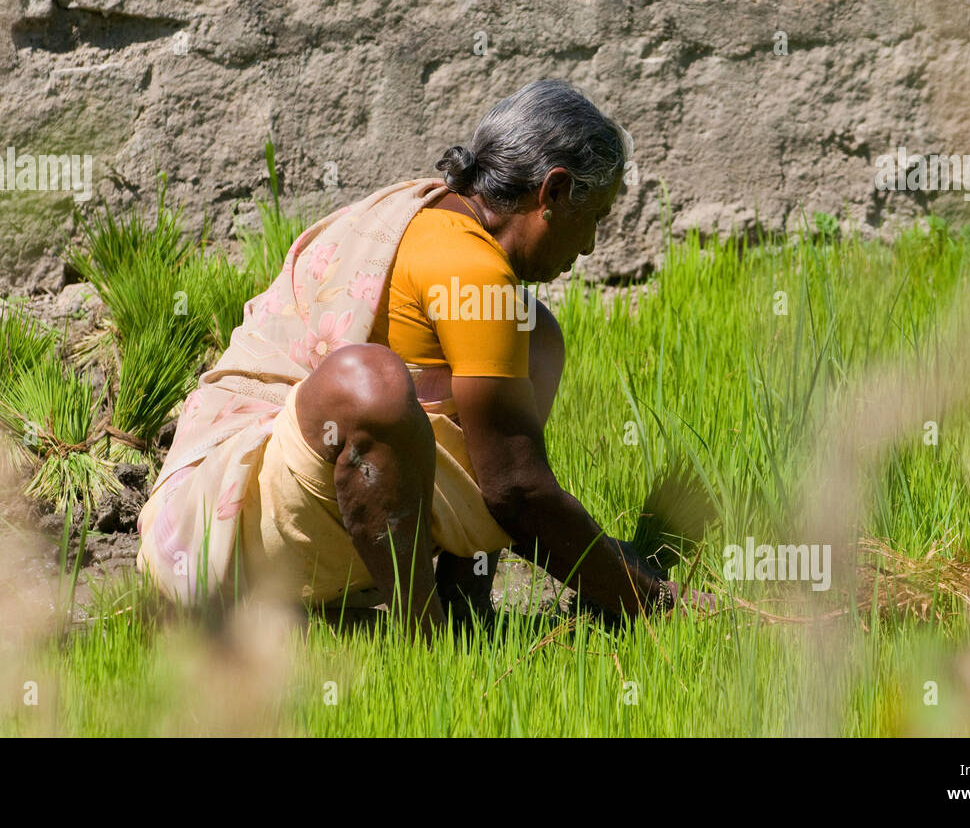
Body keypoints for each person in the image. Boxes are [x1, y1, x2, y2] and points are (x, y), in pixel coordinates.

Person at [136, 80, 692, 635]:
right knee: (368, 381)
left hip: (301, 525)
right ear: (553, 191)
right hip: (218, 533)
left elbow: (498, 469)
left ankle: (462, 607)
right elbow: (515, 490)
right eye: (593, 216)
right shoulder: (472, 269)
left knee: (533, 336)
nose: (591, 244)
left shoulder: (437, 224)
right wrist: (652, 596)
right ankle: (424, 638)